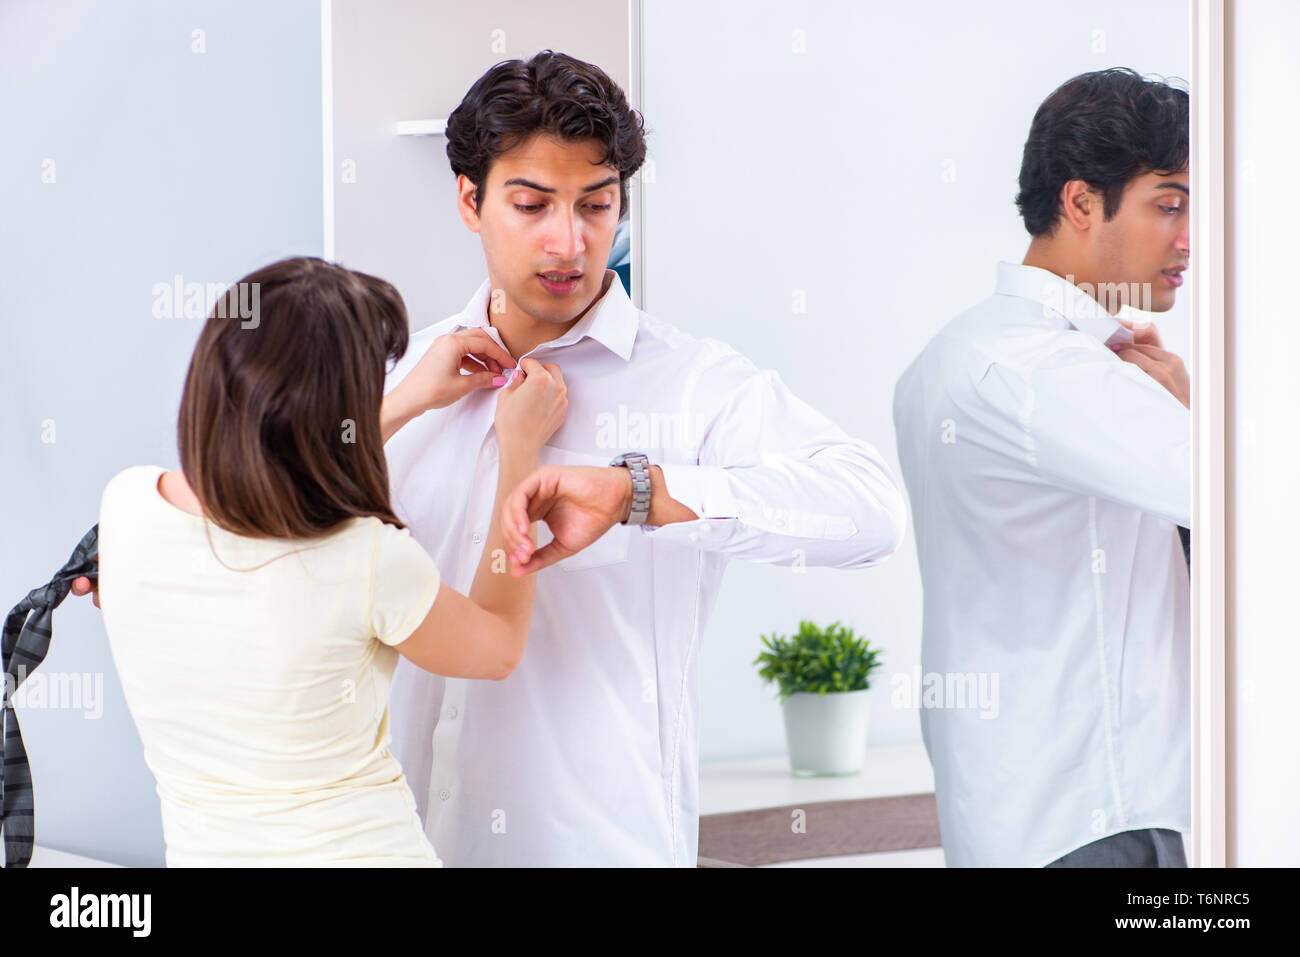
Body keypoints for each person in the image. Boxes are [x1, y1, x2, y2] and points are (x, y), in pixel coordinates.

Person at [377, 50, 909, 866]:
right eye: (532, 204)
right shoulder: (396, 378)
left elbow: (869, 510)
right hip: (399, 844)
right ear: (469, 200)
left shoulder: (693, 383)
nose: (570, 241)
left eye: (598, 205)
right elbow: (255, 512)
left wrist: (646, 492)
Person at [88, 256, 567, 865]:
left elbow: (278, 466)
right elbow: (497, 645)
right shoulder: (364, 558)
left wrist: (409, 399)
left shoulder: (128, 504)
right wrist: (519, 455)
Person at [892, 68, 1191, 867]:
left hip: (1028, 812)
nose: (1189, 238)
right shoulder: (1044, 373)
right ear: (1081, 202)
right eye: (1169, 203)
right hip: (1098, 818)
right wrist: (1191, 413)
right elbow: (1251, 505)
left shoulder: (954, 357)